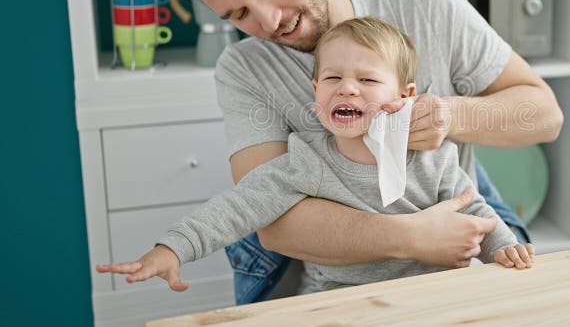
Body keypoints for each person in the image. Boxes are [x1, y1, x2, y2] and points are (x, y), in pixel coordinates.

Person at [162, 0, 563, 303]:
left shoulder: (427, 5)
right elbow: (274, 222)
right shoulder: (245, 68)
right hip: (335, 274)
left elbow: (547, 116)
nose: (269, 21)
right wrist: (412, 237)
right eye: (239, 15)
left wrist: (451, 116)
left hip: (455, 220)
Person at [96, 17, 536, 294]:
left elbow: (473, 208)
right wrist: (172, 248)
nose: (347, 88)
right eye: (332, 78)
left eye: (367, 79)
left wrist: (502, 246)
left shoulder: (433, 156)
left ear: (405, 96)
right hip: (336, 302)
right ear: (315, 93)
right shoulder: (304, 161)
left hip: (425, 298)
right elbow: (235, 208)